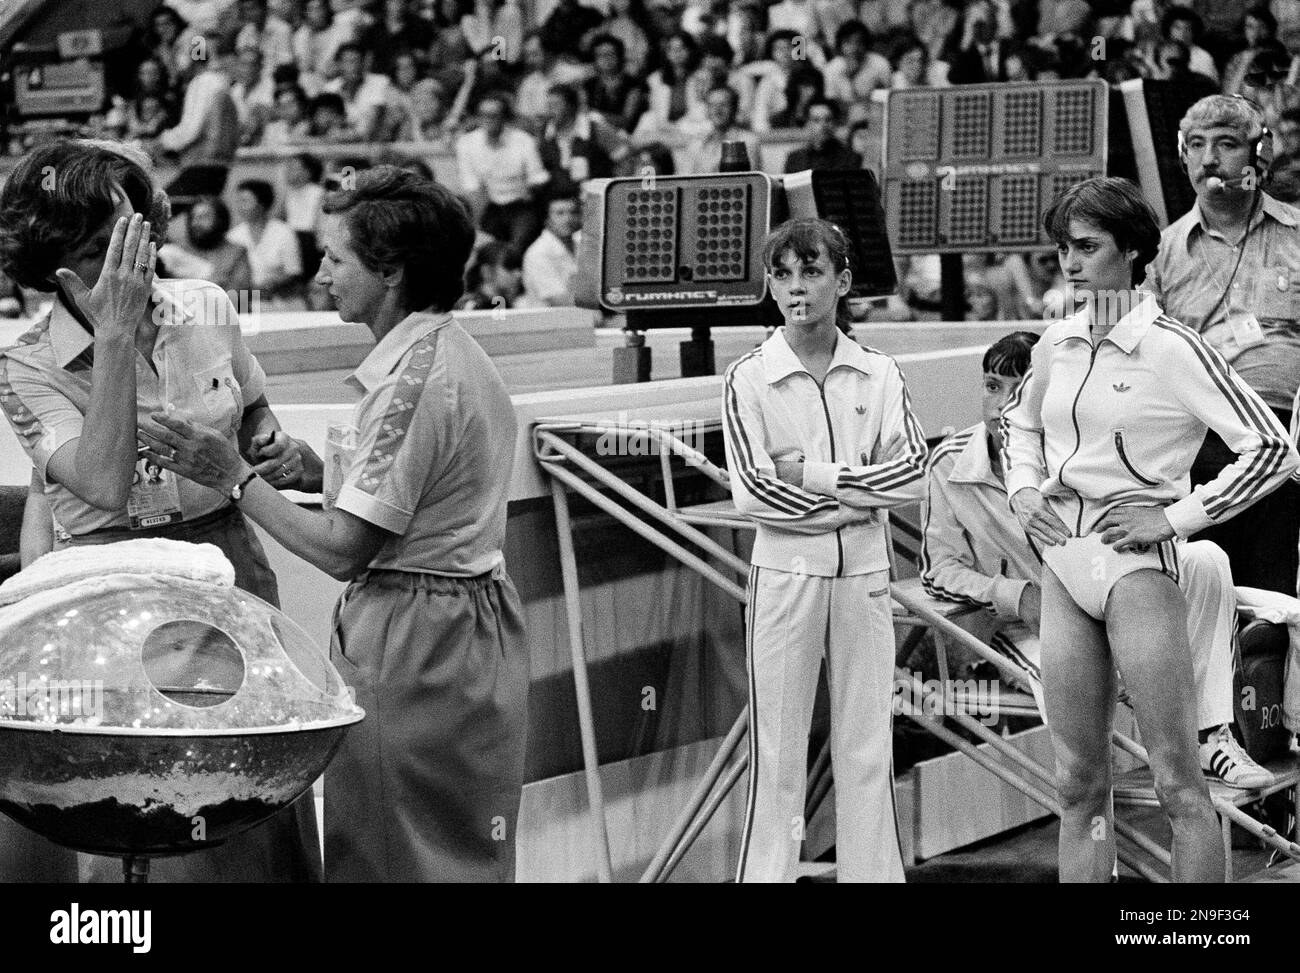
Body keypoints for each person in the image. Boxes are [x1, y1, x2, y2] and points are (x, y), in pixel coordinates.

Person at [140, 166, 529, 882]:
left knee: (387, 854)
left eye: (336, 257)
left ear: (389, 272)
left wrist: (231, 474)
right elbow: (426, 490)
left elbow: (344, 548)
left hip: (416, 639)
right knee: (459, 854)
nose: (321, 274)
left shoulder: (412, 383)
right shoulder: (448, 352)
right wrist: (321, 472)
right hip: (469, 633)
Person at [0, 139, 318, 883]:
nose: (131, 250)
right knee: (149, 810)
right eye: (103, 243)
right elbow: (102, 483)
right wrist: (111, 332)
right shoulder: (25, 366)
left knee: (257, 791)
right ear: (60, 270)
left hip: (230, 569)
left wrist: (266, 442)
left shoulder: (208, 306)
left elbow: (254, 408)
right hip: (113, 593)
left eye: (133, 226)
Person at [1002, 176, 1298, 882]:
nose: (1069, 263)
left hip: (1137, 568)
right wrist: (1019, 491)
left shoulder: (1172, 347)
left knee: (1177, 784)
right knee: (1077, 784)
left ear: (1133, 251)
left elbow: (1274, 448)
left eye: (1086, 247)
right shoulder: (1057, 341)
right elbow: (1017, 423)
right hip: (1063, 564)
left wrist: (1174, 516)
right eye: (1061, 249)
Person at [924, 331, 1275, 789]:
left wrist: (1165, 523)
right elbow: (937, 572)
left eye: (1017, 391)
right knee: (1086, 715)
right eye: (991, 386)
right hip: (1019, 626)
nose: (1000, 406)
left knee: (1207, 559)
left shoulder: (1073, 456)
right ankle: (1108, 811)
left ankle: (1210, 733)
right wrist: (1013, 595)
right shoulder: (949, 464)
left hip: (1111, 597)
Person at [724, 218, 928, 882]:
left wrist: (814, 477)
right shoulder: (749, 378)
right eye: (781, 274)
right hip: (784, 579)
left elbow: (914, 472)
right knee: (777, 752)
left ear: (841, 281)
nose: (794, 287)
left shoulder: (879, 372)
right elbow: (753, 492)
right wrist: (855, 502)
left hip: (866, 575)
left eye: (810, 271)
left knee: (868, 747)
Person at [1143, 94, 1300, 594]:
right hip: (1200, 434)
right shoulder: (1159, 252)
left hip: (1288, 421)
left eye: (1226, 144)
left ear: (1259, 156)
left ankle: (1271, 632)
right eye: (1196, 145)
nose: (1209, 159)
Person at [456, 92, 550, 254]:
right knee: (485, 248)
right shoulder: (466, 143)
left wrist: (527, 190)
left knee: (517, 249)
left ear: (504, 117)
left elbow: (538, 178)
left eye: (494, 115)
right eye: (483, 114)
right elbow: (471, 186)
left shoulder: (523, 140)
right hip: (490, 206)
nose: (488, 119)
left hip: (521, 204)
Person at [227, 179, 304, 307]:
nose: (240, 207)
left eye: (245, 201)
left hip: (280, 299)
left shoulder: (284, 231)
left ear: (261, 204)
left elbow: (293, 272)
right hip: (244, 300)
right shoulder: (233, 235)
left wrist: (271, 284)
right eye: (238, 201)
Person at [159, 195, 254, 295]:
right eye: (193, 217)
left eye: (204, 217)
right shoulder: (177, 250)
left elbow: (241, 295)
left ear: (220, 220)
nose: (195, 223)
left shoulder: (236, 252)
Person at [679, 86, 761, 175]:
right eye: (712, 105)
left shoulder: (749, 142)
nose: (717, 110)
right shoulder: (695, 143)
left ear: (735, 108)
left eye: (723, 105)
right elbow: (685, 180)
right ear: (707, 110)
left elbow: (751, 182)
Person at [521, 191, 581, 308]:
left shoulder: (582, 245)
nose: (568, 219)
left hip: (584, 317)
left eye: (573, 212)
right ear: (546, 219)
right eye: (560, 213)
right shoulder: (538, 253)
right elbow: (559, 300)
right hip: (548, 322)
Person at [783, 98, 863, 173]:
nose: (823, 126)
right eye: (816, 120)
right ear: (808, 124)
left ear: (835, 123)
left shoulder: (851, 159)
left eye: (828, 120)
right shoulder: (794, 159)